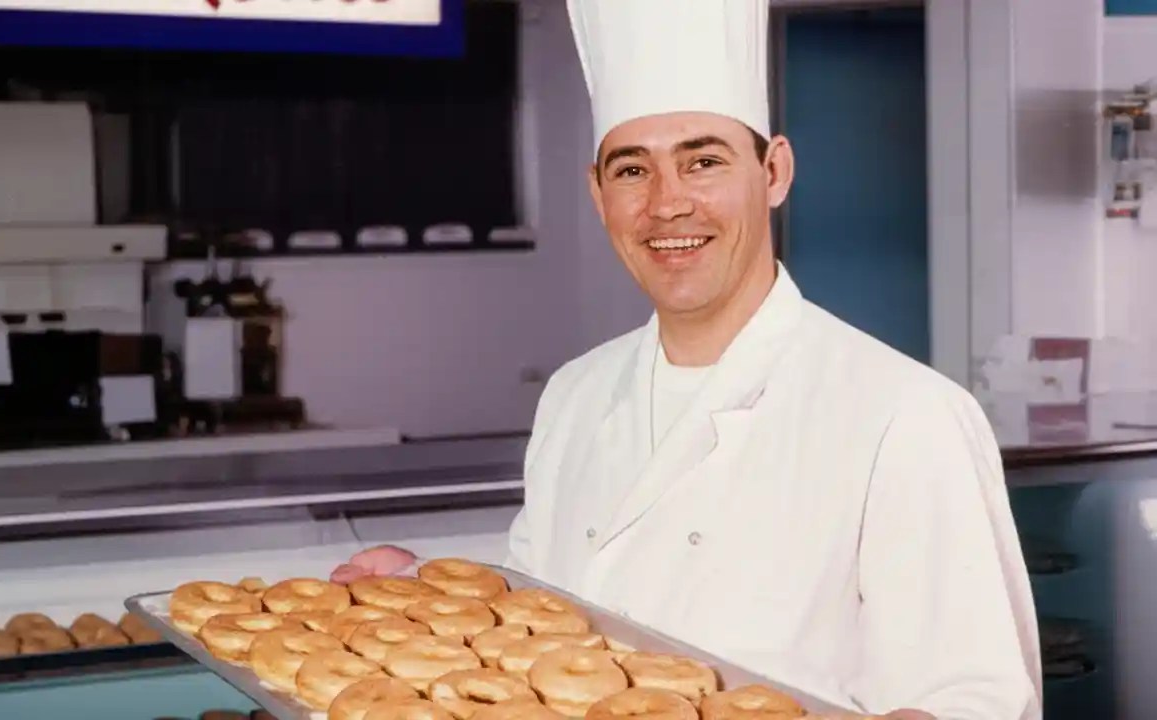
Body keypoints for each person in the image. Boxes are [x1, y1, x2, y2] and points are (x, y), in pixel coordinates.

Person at [333, 1, 1041, 717]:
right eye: (632, 170)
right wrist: (429, 585)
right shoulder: (576, 395)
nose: (668, 205)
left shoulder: (906, 414)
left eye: (703, 161)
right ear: (597, 194)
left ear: (774, 172)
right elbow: (546, 620)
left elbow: (974, 700)